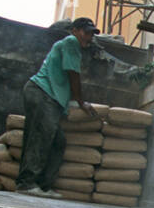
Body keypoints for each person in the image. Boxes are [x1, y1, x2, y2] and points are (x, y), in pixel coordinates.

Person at [17, 17, 101, 197]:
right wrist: (80, 102)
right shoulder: (71, 43)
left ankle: (43, 185)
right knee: (40, 137)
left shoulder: (72, 45)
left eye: (92, 34)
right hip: (41, 92)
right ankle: (26, 183)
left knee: (57, 142)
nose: (89, 37)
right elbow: (73, 75)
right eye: (86, 33)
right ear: (75, 30)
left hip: (46, 95)